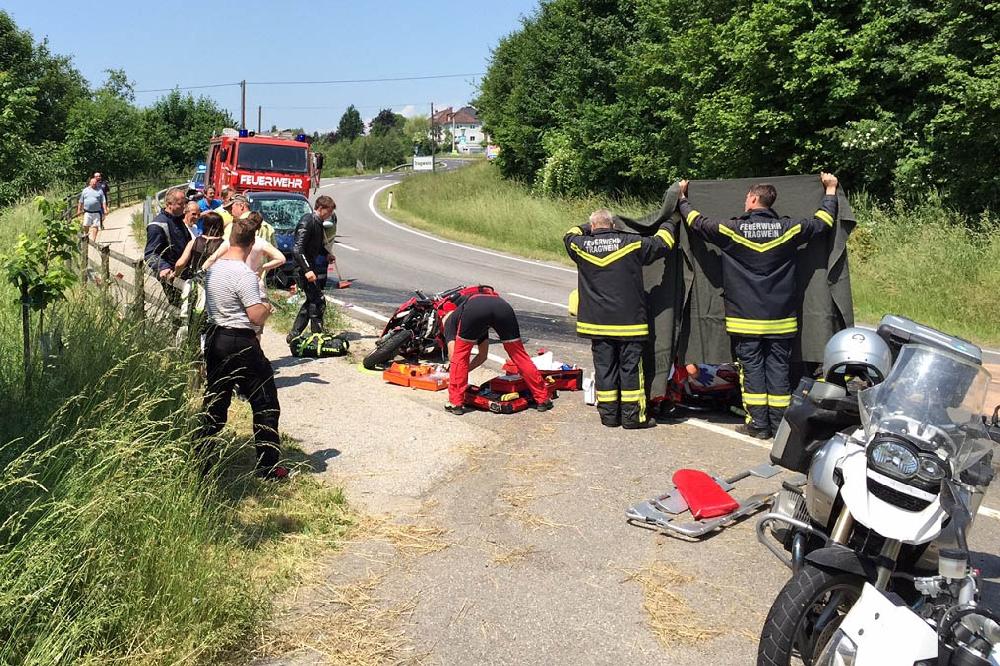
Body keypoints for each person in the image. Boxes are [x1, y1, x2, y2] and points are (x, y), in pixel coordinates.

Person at [677, 173, 839, 439]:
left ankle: (758, 426)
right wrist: (830, 190)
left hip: (744, 318)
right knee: (778, 371)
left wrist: (683, 198)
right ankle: (779, 427)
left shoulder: (732, 229)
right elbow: (823, 222)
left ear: (753, 199)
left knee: (751, 371)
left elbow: (697, 223)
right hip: (781, 319)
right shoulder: (790, 229)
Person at [563, 208, 677, 429]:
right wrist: (669, 219)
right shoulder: (631, 243)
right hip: (629, 323)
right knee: (631, 369)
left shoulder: (580, 245)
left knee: (604, 368)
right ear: (614, 225)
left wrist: (591, 228)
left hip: (596, 324)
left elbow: (569, 233)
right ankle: (632, 418)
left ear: (593, 226)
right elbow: (664, 243)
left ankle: (608, 417)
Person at [198, 217, 286, 480]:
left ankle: (203, 459)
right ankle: (268, 467)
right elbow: (255, 316)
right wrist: (268, 308)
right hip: (240, 340)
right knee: (265, 401)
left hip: (215, 337)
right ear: (252, 243)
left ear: (231, 239)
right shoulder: (245, 275)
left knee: (216, 400)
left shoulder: (214, 270)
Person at [442, 287, 553, 415]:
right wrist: (464, 371)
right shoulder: (472, 312)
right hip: (503, 307)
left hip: (476, 311)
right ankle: (543, 398)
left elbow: (455, 358)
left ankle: (455, 403)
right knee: (519, 355)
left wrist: (456, 375)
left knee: (460, 357)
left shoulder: (449, 323)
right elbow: (482, 355)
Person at [202, 211, 285, 297]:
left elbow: (213, 258)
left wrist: (202, 271)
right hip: (253, 283)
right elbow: (281, 259)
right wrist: (262, 267)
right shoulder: (261, 243)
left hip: (233, 283)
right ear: (259, 226)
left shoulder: (232, 240)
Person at [286, 195, 335, 342]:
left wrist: (327, 254)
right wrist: (307, 270)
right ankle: (316, 333)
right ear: (320, 208)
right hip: (302, 267)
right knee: (317, 299)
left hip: (309, 265)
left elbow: (316, 246)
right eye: (329, 211)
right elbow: (297, 249)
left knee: (312, 299)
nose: (330, 215)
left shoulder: (318, 223)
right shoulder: (308, 221)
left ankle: (294, 334)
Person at [144, 187, 193, 307]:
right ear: (169, 204)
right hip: (172, 275)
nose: (184, 207)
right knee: (178, 306)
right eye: (181, 204)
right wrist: (163, 267)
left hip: (185, 272)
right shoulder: (157, 225)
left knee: (188, 305)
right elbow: (150, 253)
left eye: (185, 203)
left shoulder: (178, 220)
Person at [174, 211, 227, 275]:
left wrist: (175, 273)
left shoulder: (194, 241)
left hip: (195, 280)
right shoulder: (224, 245)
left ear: (204, 225)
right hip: (214, 281)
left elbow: (180, 263)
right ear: (220, 226)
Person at [77, 176, 108, 242]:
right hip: (87, 211)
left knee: (95, 226)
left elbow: (103, 201)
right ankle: (86, 235)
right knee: (85, 224)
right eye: (92, 183)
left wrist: (105, 209)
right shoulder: (85, 190)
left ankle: (93, 240)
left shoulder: (100, 191)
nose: (94, 184)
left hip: (97, 212)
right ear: (90, 183)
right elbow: (81, 201)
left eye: (95, 183)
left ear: (97, 183)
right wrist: (79, 210)